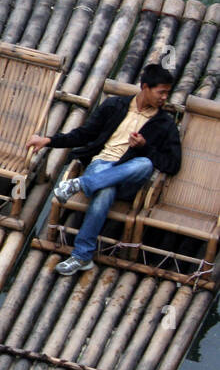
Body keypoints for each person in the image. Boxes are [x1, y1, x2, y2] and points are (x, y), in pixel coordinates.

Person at [26, 63, 181, 275]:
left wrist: (146, 148)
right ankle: (81, 257)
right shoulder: (114, 105)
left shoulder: (165, 124)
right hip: (100, 165)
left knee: (145, 163)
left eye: (167, 94)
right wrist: (49, 140)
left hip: (129, 176)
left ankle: (79, 184)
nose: (164, 98)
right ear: (145, 87)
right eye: (161, 92)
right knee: (105, 191)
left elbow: (172, 164)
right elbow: (84, 134)